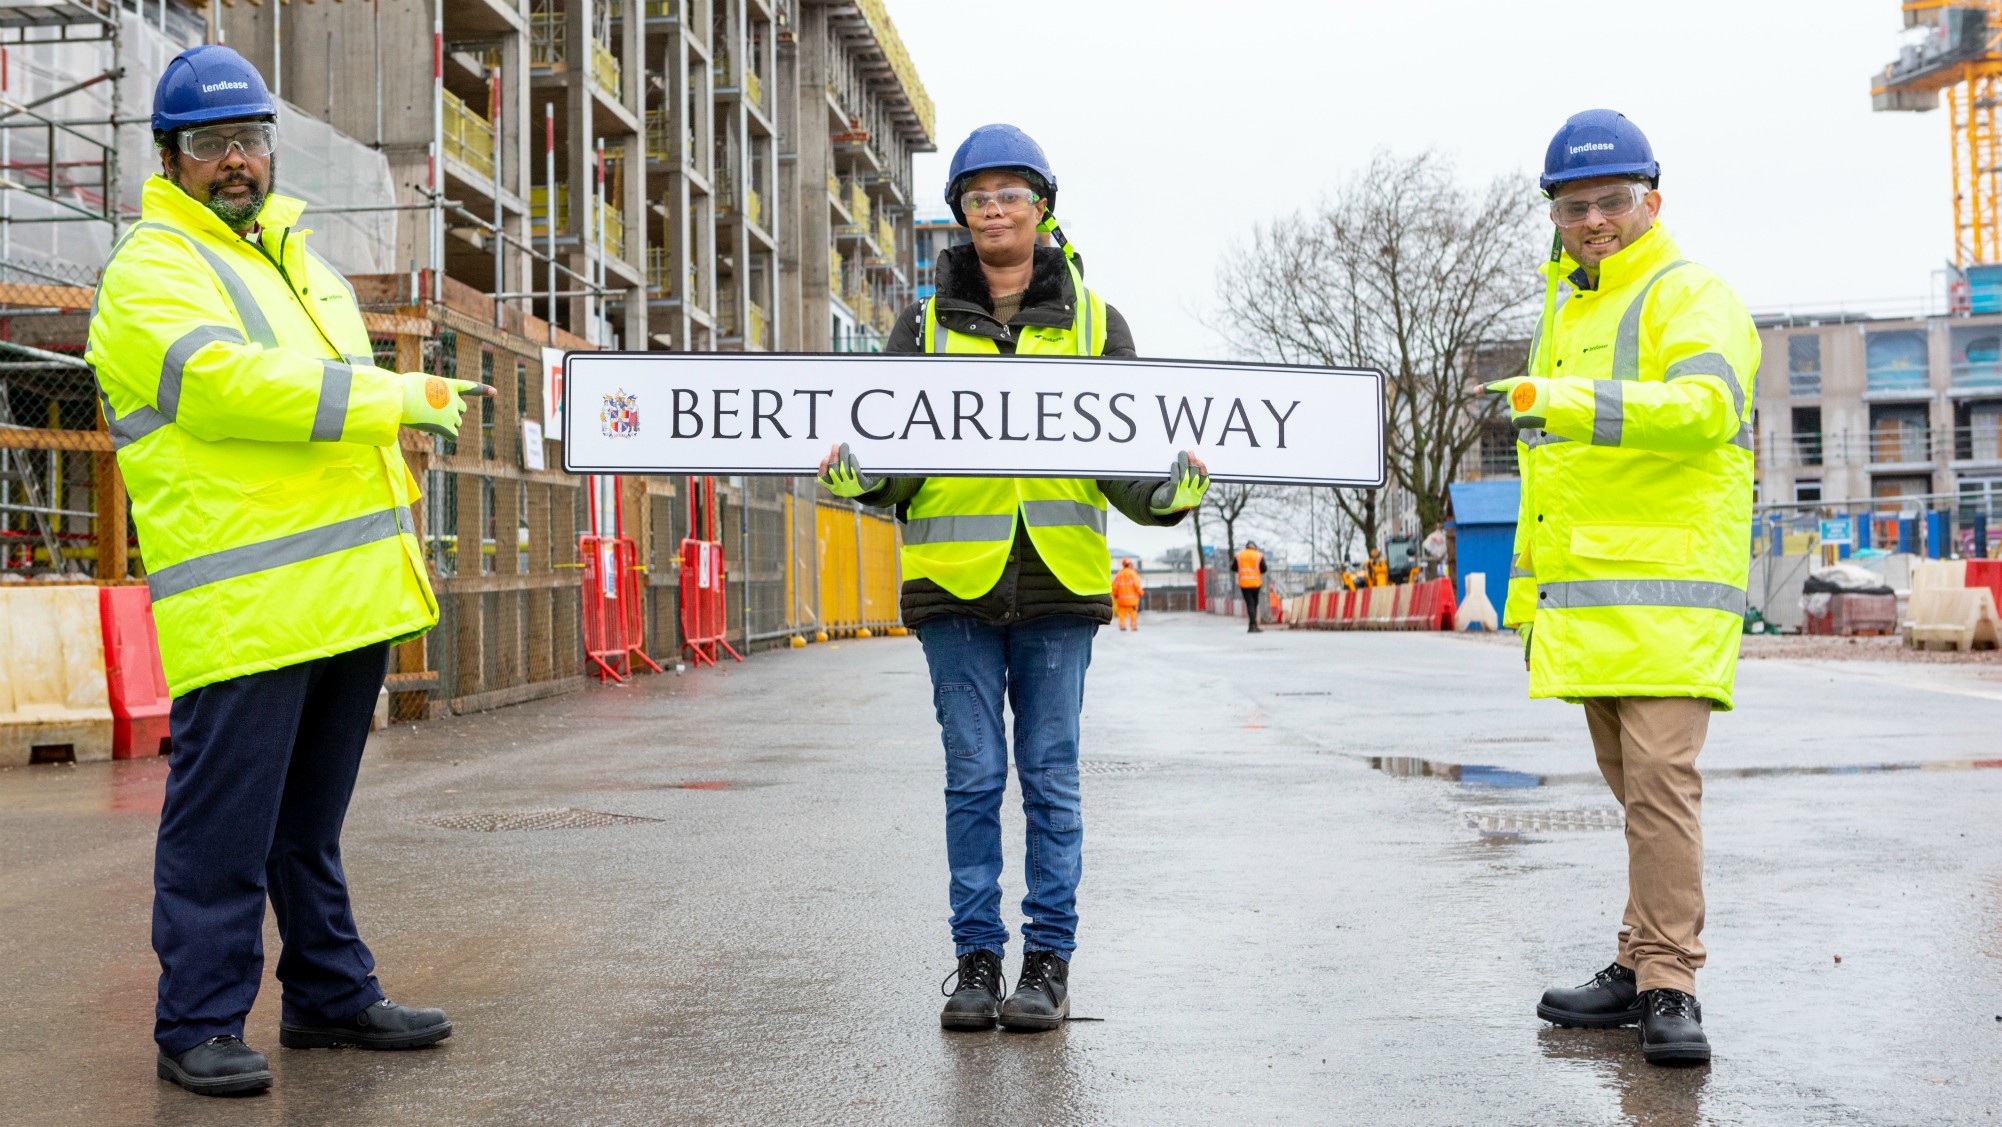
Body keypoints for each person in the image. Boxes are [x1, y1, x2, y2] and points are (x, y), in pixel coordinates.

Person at [87, 46, 487, 1096]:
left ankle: (327, 990)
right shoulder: (149, 272)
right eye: (213, 144)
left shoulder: (296, 258)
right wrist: (392, 398)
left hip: (340, 598)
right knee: (223, 829)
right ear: (170, 159)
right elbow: (232, 388)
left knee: (307, 826)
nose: (237, 161)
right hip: (248, 603)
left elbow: (322, 401)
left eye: (251, 141)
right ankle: (199, 1022)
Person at [816, 124, 1209, 1033]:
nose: (995, 209)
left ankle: (1048, 963)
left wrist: (1173, 494)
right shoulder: (919, 324)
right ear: (959, 215)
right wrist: (858, 477)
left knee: (1050, 776)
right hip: (952, 585)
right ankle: (976, 961)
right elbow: (891, 455)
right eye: (978, 197)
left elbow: (1127, 461)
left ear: (1042, 208)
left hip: (1059, 583)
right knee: (972, 775)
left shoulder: (1095, 320)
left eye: (1011, 194)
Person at [1490, 109, 1758, 1066]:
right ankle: (1639, 960)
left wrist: (1556, 399)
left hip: (1673, 590)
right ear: (1554, 214)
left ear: (1653, 198)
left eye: (1610, 201)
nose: (1593, 219)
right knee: (1634, 789)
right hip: (1596, 593)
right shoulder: (1566, 308)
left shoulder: (1693, 294)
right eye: (1573, 206)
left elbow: (1707, 408)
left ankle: (1671, 984)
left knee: (1659, 783)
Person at [1232, 540, 1266, 632]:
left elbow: (1233, 568)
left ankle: (1252, 625)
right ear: (1255, 547)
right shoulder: (1258, 555)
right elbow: (1264, 569)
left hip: (1244, 583)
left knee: (1250, 604)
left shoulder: (1239, 555)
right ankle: (1253, 625)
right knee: (1254, 604)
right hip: (1256, 583)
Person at [1111, 558, 1144, 631]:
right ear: (1130, 564)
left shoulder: (1119, 574)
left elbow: (1114, 586)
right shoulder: (1133, 573)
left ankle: (1122, 626)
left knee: (1122, 613)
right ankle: (1133, 626)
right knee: (1133, 613)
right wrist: (1141, 593)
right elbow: (1137, 585)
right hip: (1133, 599)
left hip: (1121, 599)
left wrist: (1115, 595)